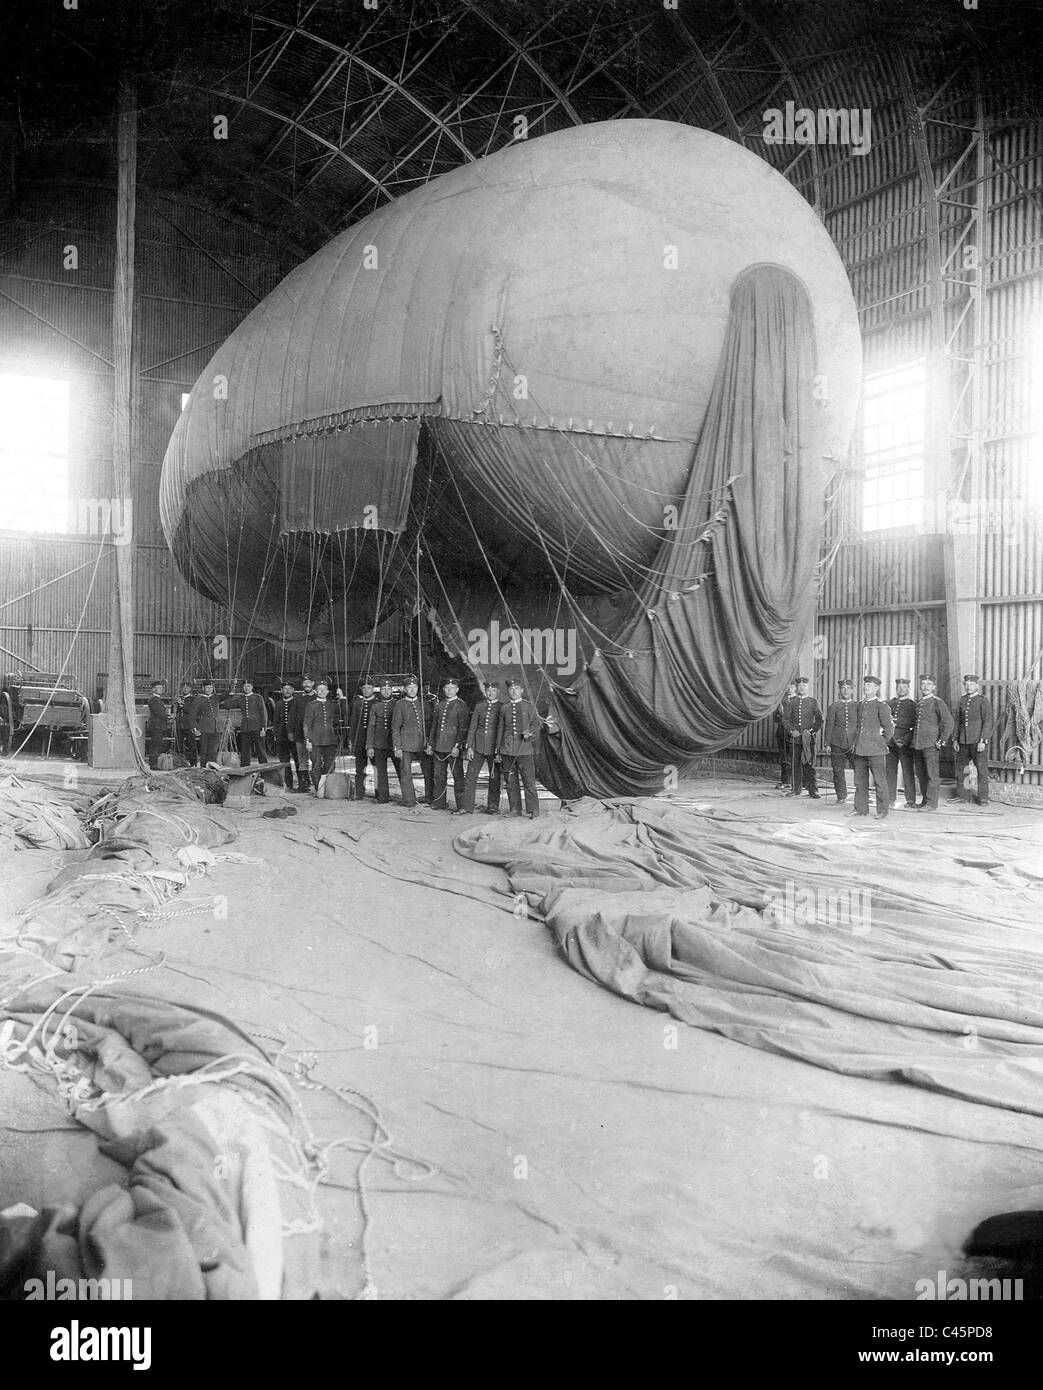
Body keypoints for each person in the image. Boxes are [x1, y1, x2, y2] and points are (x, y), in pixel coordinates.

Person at [496, 677, 541, 818]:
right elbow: (500, 730)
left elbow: (536, 726)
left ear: (521, 690)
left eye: (516, 689)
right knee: (511, 781)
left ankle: (533, 810)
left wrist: (530, 734)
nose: (514, 691)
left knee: (529, 780)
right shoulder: (504, 708)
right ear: (508, 691)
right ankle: (515, 809)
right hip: (507, 750)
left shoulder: (529, 707)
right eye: (511, 689)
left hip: (524, 750)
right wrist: (498, 750)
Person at [851, 675, 894, 819]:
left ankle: (882, 811)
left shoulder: (881, 705)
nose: (866, 687)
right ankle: (860, 809)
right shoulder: (861, 704)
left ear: (876, 688)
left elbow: (889, 728)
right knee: (859, 781)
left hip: (876, 750)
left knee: (880, 782)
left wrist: (881, 742)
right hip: (860, 749)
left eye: (869, 685)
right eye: (865, 685)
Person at [458, 679, 503, 816]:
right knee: (470, 777)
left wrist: (499, 750)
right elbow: (473, 727)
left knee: (494, 778)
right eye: (488, 691)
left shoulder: (502, 707)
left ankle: (493, 807)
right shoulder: (479, 706)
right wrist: (469, 747)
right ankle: (466, 807)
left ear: (498, 692)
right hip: (477, 746)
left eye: (493, 691)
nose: (490, 693)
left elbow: (502, 730)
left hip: (493, 748)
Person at [911, 674, 954, 812]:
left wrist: (941, 741)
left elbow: (949, 722)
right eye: (923, 684)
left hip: (930, 744)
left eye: (929, 684)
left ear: (934, 687)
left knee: (932, 775)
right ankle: (924, 801)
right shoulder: (920, 702)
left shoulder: (937, 702)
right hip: (918, 744)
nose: (925, 686)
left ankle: (931, 804)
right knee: (922, 774)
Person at [427, 676, 469, 811]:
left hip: (453, 748)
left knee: (458, 776)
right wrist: (430, 744)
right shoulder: (440, 705)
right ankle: (439, 803)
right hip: (439, 747)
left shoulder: (461, 706)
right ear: (444, 689)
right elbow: (434, 726)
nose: (449, 690)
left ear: (457, 689)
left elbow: (463, 728)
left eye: (452, 688)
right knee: (439, 776)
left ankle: (461, 806)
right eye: (447, 688)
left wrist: (457, 746)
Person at [953, 674, 994, 807]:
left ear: (977, 685)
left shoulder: (983, 701)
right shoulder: (962, 701)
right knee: (962, 769)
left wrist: (983, 740)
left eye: (971, 684)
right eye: (966, 684)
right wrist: (955, 739)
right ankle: (963, 796)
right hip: (963, 741)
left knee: (981, 770)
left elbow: (988, 722)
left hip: (978, 742)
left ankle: (983, 798)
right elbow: (957, 721)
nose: (968, 686)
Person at [392, 674, 432, 809]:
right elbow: (395, 727)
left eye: (415, 687)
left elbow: (429, 724)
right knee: (405, 773)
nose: (413, 690)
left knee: (428, 771)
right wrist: (397, 747)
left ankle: (430, 798)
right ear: (405, 689)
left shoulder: (423, 704)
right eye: (409, 687)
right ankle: (409, 800)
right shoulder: (400, 705)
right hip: (406, 744)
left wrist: (429, 743)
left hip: (423, 744)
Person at [780, 675, 822, 798]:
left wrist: (811, 731)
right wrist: (792, 730)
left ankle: (813, 790)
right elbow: (785, 719)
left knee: (810, 764)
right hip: (795, 739)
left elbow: (820, 719)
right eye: (799, 685)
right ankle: (795, 789)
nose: (801, 687)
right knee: (795, 764)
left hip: (808, 739)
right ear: (797, 687)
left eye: (804, 685)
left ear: (807, 687)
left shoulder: (813, 702)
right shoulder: (791, 702)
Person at [886, 676, 917, 809]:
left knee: (907, 772)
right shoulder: (890, 703)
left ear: (908, 689)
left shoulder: (912, 705)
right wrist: (890, 738)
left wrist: (904, 740)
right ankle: (889, 798)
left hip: (905, 743)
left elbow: (916, 726)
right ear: (896, 688)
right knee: (889, 771)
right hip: (891, 743)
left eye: (904, 687)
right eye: (899, 687)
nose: (901, 689)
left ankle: (910, 800)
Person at [823, 678, 856, 804]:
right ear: (839, 690)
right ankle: (841, 796)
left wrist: (858, 742)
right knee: (838, 771)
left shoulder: (857, 706)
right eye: (843, 688)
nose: (846, 690)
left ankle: (861, 795)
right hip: (836, 743)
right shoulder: (834, 706)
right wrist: (827, 744)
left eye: (848, 688)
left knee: (859, 770)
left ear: (852, 690)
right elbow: (829, 725)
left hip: (853, 744)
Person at [303, 680, 338, 798]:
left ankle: (327, 788)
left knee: (330, 765)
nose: (322, 691)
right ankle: (319, 789)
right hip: (315, 740)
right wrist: (308, 740)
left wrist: (342, 697)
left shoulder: (332, 704)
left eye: (324, 689)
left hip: (330, 739)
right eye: (319, 689)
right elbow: (307, 724)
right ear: (316, 691)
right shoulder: (311, 705)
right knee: (316, 765)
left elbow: (344, 712)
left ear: (328, 691)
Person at [366, 678, 398, 804]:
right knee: (380, 772)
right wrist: (370, 746)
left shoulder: (398, 704)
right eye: (383, 689)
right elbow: (371, 726)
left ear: (392, 690)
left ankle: (408, 797)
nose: (386, 691)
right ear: (380, 690)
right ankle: (382, 798)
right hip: (379, 744)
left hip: (394, 744)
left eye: (388, 689)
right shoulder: (375, 706)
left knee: (402, 771)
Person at [225, 679, 268, 767]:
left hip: (257, 727)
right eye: (244, 686)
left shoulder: (258, 697)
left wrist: (263, 728)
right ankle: (245, 772)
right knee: (245, 752)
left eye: (248, 686)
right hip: (245, 728)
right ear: (242, 688)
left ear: (252, 687)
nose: (246, 688)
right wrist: (231, 693)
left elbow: (263, 713)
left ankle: (265, 772)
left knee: (261, 751)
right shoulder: (240, 698)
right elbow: (227, 705)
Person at [348, 677, 377, 800]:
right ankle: (360, 792)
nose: (366, 690)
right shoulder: (357, 703)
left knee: (377, 767)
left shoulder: (378, 702)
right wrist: (351, 739)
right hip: (359, 740)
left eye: (369, 688)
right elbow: (353, 723)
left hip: (375, 741)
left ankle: (379, 793)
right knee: (360, 768)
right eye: (364, 688)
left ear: (373, 689)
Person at [271, 681, 303, 790]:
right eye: (285, 688)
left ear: (293, 690)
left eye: (290, 688)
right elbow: (275, 721)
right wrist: (276, 735)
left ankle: (302, 783)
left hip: (294, 736)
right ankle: (288, 783)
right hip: (282, 736)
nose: (287, 691)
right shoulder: (279, 704)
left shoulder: (297, 702)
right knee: (284, 761)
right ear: (281, 691)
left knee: (298, 760)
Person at [291, 675, 317, 793]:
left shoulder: (318, 697)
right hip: (300, 734)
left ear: (312, 683)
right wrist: (291, 732)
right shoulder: (297, 699)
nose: (306, 684)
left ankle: (317, 785)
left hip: (315, 736)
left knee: (316, 760)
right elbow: (293, 716)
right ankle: (304, 785)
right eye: (304, 682)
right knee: (302, 761)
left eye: (308, 682)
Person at [190, 679, 222, 767]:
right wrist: (195, 729)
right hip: (204, 729)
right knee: (204, 751)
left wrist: (232, 686)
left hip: (216, 729)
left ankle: (212, 770)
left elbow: (227, 695)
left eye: (211, 688)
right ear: (203, 688)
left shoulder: (215, 698)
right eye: (207, 687)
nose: (209, 689)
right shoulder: (198, 699)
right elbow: (192, 716)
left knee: (213, 751)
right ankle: (203, 769)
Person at [772, 681, 797, 788]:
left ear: (795, 688)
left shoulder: (799, 701)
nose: (789, 688)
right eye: (787, 686)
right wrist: (779, 713)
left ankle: (795, 782)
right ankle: (785, 782)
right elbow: (775, 719)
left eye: (792, 686)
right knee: (784, 758)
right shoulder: (781, 701)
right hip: (782, 733)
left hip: (793, 734)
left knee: (794, 757)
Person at [146, 680, 170, 770]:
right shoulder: (154, 699)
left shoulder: (157, 699)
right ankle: (153, 764)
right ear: (153, 689)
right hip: (156, 725)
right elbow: (159, 713)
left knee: (157, 744)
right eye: (158, 688)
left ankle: (154, 763)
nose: (160, 689)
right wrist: (168, 717)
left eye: (161, 688)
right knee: (156, 745)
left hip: (158, 725)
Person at [174, 682, 198, 767]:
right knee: (179, 744)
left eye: (187, 688)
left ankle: (193, 762)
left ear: (190, 689)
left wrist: (181, 704)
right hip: (180, 725)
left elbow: (191, 711)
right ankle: (180, 762)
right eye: (183, 688)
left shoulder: (193, 699)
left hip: (189, 725)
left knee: (191, 743)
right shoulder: (180, 698)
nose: (185, 689)